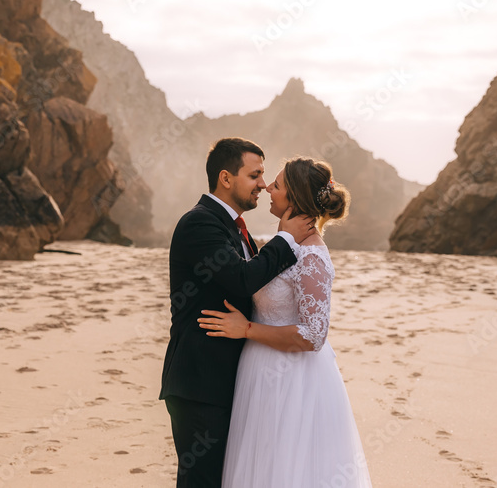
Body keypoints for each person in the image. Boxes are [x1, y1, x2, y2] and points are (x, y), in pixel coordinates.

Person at [198, 157, 373, 487]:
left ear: (294, 197)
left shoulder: (312, 257)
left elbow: (313, 335)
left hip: (293, 381)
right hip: (257, 371)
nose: (268, 189)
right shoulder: (282, 245)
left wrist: (246, 329)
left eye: (276, 185)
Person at [159, 138, 317, 487]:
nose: (263, 183)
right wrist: (287, 239)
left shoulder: (237, 230)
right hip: (200, 383)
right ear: (226, 178)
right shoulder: (200, 224)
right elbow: (241, 280)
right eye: (255, 174)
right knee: (201, 481)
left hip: (232, 383)